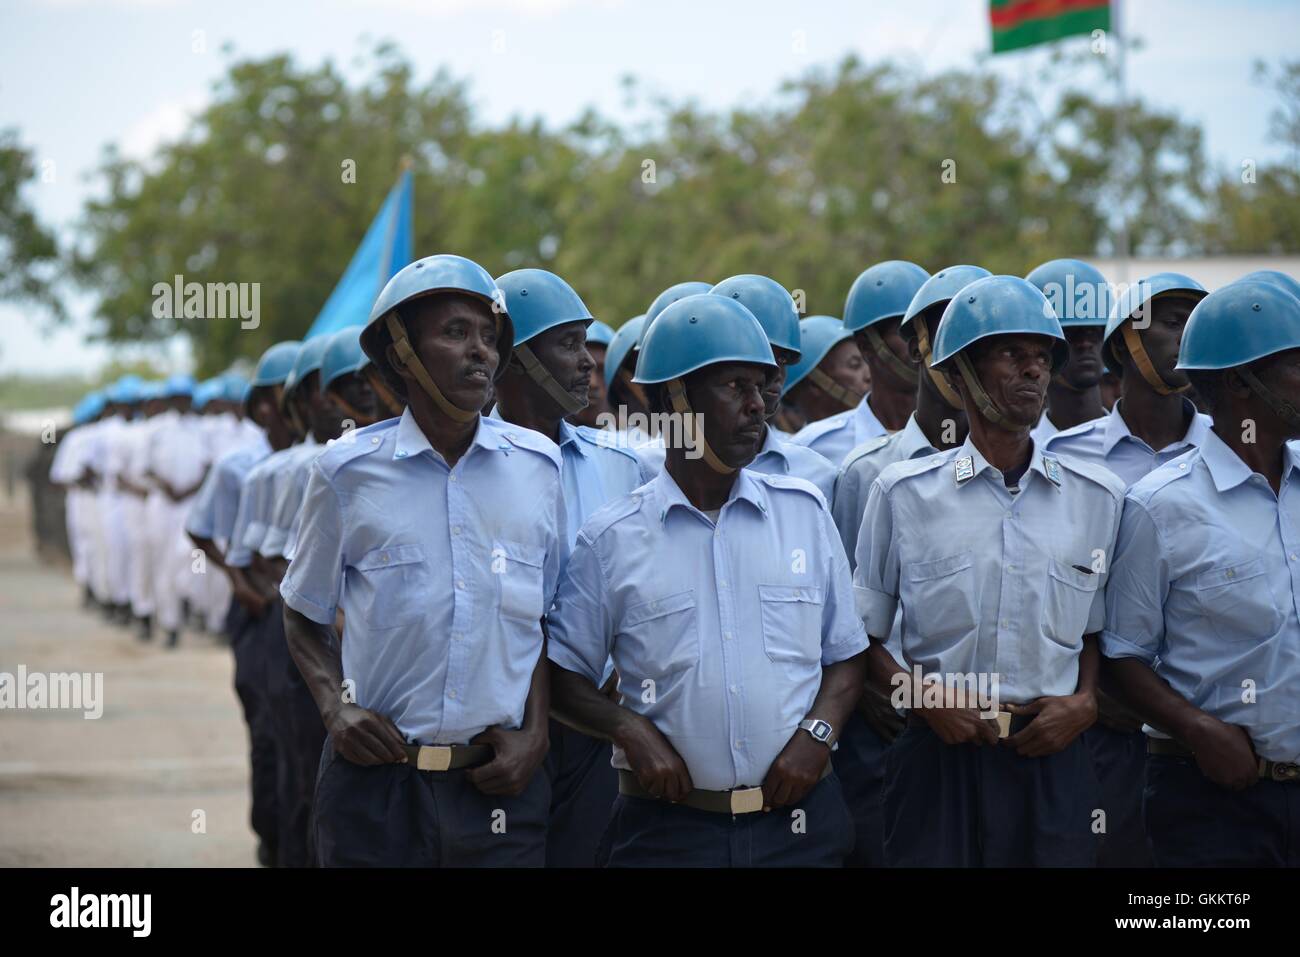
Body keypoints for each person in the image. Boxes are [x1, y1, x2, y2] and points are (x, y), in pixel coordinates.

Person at [547, 293, 868, 867]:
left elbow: (845, 657)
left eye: (762, 386)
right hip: (666, 835)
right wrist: (629, 730)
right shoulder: (612, 539)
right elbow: (564, 675)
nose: (757, 407)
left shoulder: (805, 512)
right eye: (734, 387)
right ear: (674, 398)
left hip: (800, 830)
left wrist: (816, 737)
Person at [281, 254, 565, 867]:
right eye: (456, 333)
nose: (480, 352)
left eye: (490, 337)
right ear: (402, 354)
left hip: (498, 791)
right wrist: (335, 707)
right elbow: (302, 613)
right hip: (376, 792)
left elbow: (540, 623)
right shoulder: (344, 472)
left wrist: (536, 736)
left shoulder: (539, 467)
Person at [855, 275, 1124, 866]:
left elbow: (1097, 635)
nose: (1033, 371)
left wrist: (1084, 703)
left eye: (1040, 358)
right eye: (1010, 355)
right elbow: (859, 639)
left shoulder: (1098, 498)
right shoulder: (902, 494)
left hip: (1052, 759)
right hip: (938, 759)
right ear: (959, 375)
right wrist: (922, 698)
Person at [1102, 279, 1300, 867]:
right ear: (1240, 382)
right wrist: (1195, 728)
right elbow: (1121, 655)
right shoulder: (1159, 507)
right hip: (1215, 807)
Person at [1044, 272, 1211, 867]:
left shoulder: (1231, 451)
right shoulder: (1064, 457)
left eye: (1195, 322)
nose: (1186, 335)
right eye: (1170, 322)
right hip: (1099, 731)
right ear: (1126, 344)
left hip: (1207, 735)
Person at [493, 267, 651, 868]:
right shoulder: (469, 466)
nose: (589, 363)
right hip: (502, 727)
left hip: (594, 725)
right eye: (567, 344)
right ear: (515, 358)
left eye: (587, 342)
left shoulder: (623, 466)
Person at [827, 265, 984, 867]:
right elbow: (843, 621)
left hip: (1010, 739)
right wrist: (900, 694)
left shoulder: (1042, 473)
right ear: (920, 349)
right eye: (941, 333)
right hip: (888, 737)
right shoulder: (865, 474)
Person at [185, 341, 297, 866]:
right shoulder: (239, 465)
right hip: (259, 606)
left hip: (304, 609)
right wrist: (239, 584)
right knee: (267, 729)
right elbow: (201, 529)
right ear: (264, 405)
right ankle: (270, 835)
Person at [706, 275, 837, 500]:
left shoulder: (817, 474)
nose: (776, 372)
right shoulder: (653, 466)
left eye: (783, 360)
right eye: (761, 356)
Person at [790, 261, 928, 466]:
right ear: (865, 346)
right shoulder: (812, 449)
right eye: (906, 331)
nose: (924, 343)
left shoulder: (963, 434)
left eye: (929, 329)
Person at [1025, 259, 1112, 443]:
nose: (1085, 343)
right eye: (1070, 333)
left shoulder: (1138, 446)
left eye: (1094, 331)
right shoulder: (1024, 456)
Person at [777, 315, 870, 435]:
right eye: (855, 365)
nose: (869, 375)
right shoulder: (791, 452)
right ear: (814, 385)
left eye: (867, 361)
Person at [569, 319, 616, 430]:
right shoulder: (542, 442)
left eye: (602, 370)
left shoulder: (636, 439)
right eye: (583, 368)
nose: (593, 383)